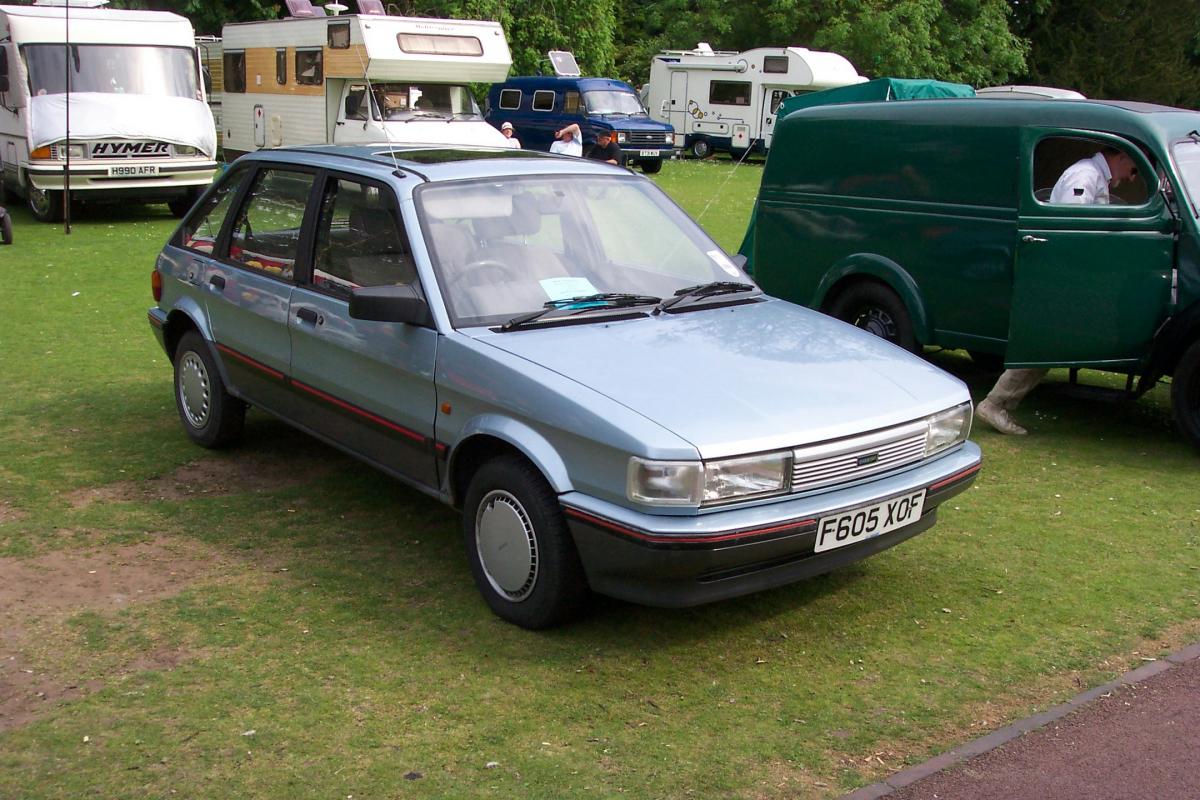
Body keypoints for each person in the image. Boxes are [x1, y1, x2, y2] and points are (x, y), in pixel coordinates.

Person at [976, 147, 1140, 436]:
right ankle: (995, 403)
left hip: (1070, 273)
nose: (1130, 178)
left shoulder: (1092, 176)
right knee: (1048, 342)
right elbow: (1070, 229)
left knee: (1054, 342)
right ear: (1122, 158)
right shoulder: (1085, 176)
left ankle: (999, 402)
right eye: (1134, 169)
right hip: (1063, 274)